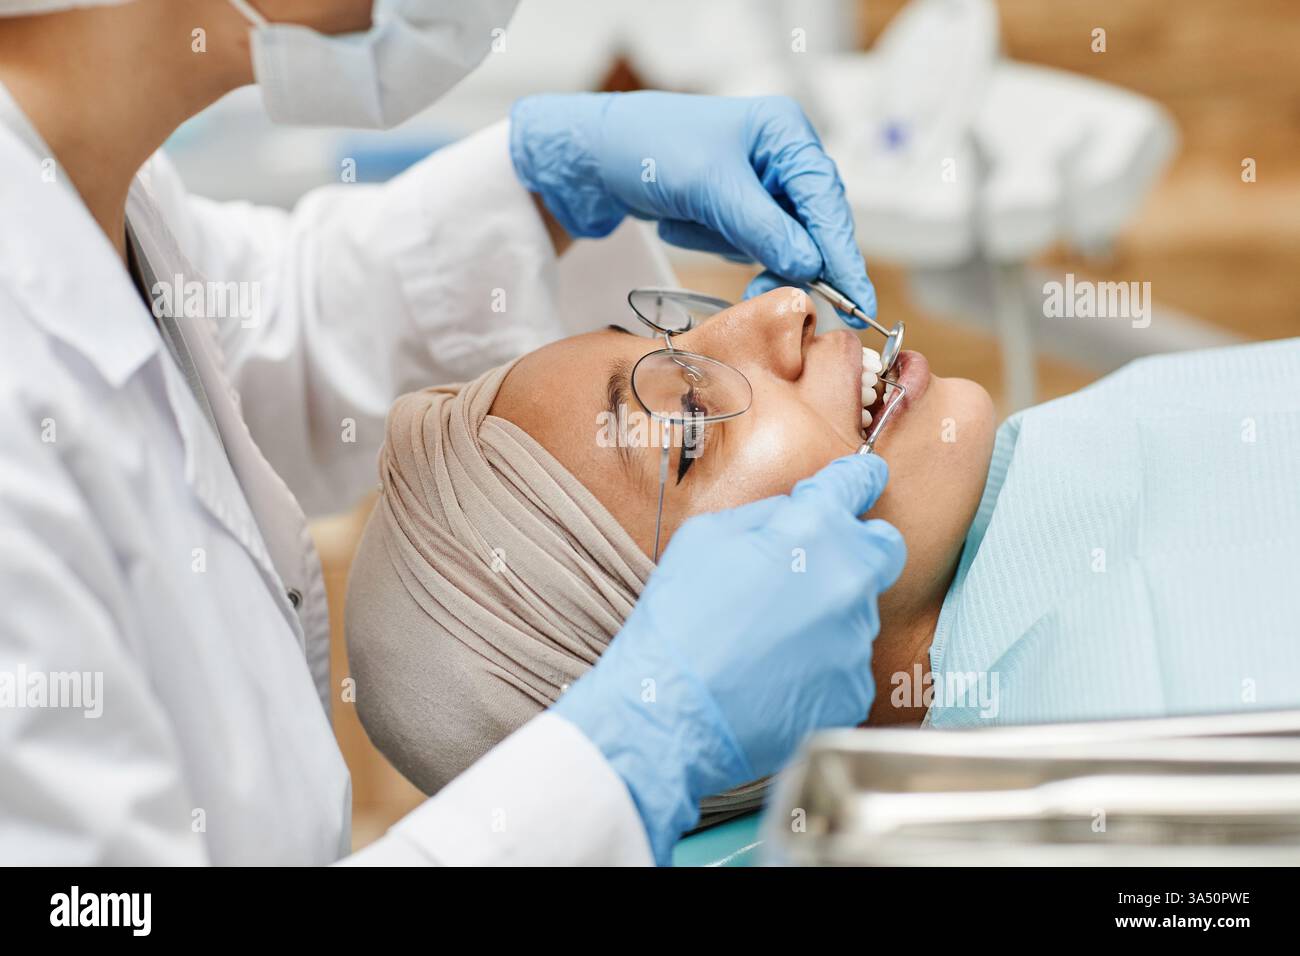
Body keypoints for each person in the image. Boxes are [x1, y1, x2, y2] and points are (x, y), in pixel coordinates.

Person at [0, 0, 906, 865]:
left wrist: (544, 193)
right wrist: (638, 747)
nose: (787, 309)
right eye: (689, 432)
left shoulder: (72, 191)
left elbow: (251, 328)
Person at [347, 294, 1300, 801]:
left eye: (675, 331)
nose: (783, 307)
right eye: (687, 431)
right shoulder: (1110, 811)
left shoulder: (1057, 462)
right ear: (730, 651)